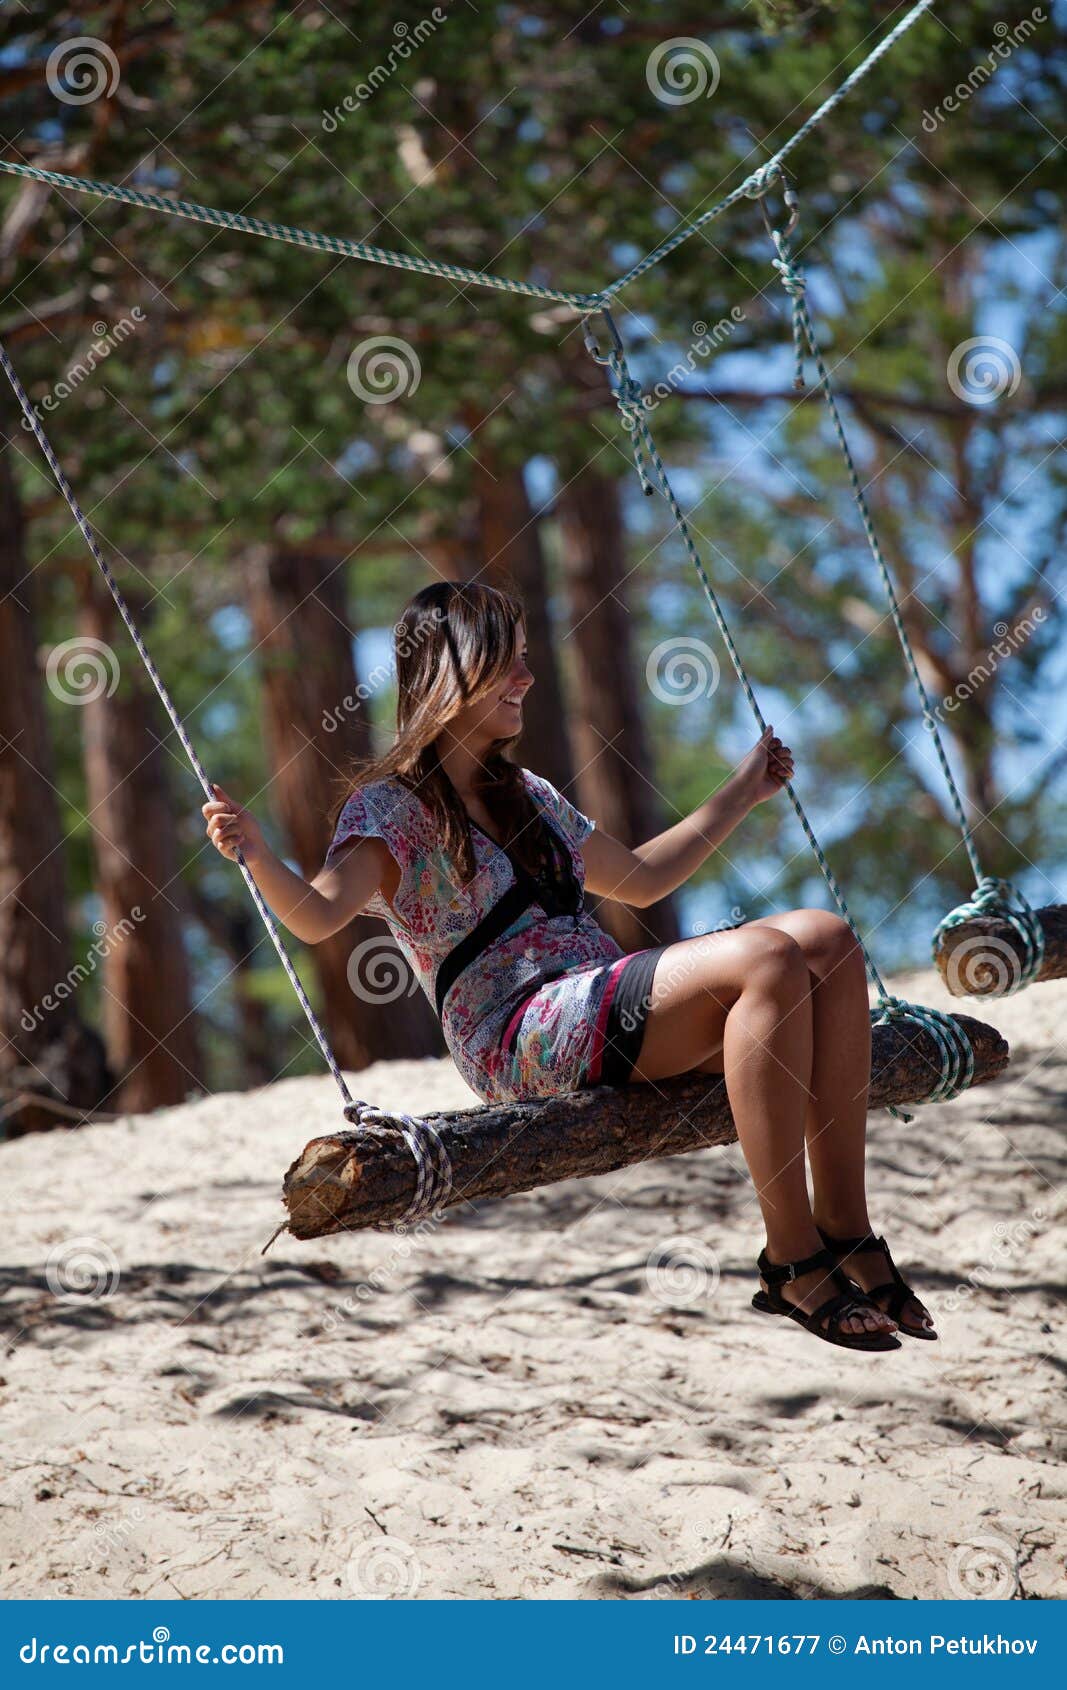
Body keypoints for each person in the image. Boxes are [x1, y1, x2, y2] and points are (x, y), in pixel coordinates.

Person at [204, 581, 935, 1353]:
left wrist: (742, 793)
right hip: (515, 1037)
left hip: (598, 1005)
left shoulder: (529, 796)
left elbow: (644, 877)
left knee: (825, 938)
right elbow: (318, 915)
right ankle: (791, 1258)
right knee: (768, 956)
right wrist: (256, 853)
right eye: (505, 664)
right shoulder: (390, 810)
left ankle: (849, 1231)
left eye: (524, 661)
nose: (525, 679)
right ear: (448, 677)